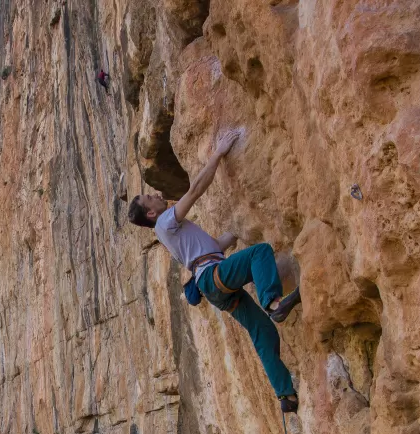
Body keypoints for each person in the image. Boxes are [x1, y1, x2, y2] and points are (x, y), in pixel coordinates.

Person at [126, 128, 302, 413]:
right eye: (150, 198)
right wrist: (218, 153)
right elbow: (195, 191)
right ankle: (273, 302)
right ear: (150, 213)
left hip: (214, 284)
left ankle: (286, 395)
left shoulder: (173, 232)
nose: (157, 194)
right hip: (211, 277)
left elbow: (215, 247)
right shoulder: (165, 222)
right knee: (260, 252)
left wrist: (236, 230)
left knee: (263, 332)